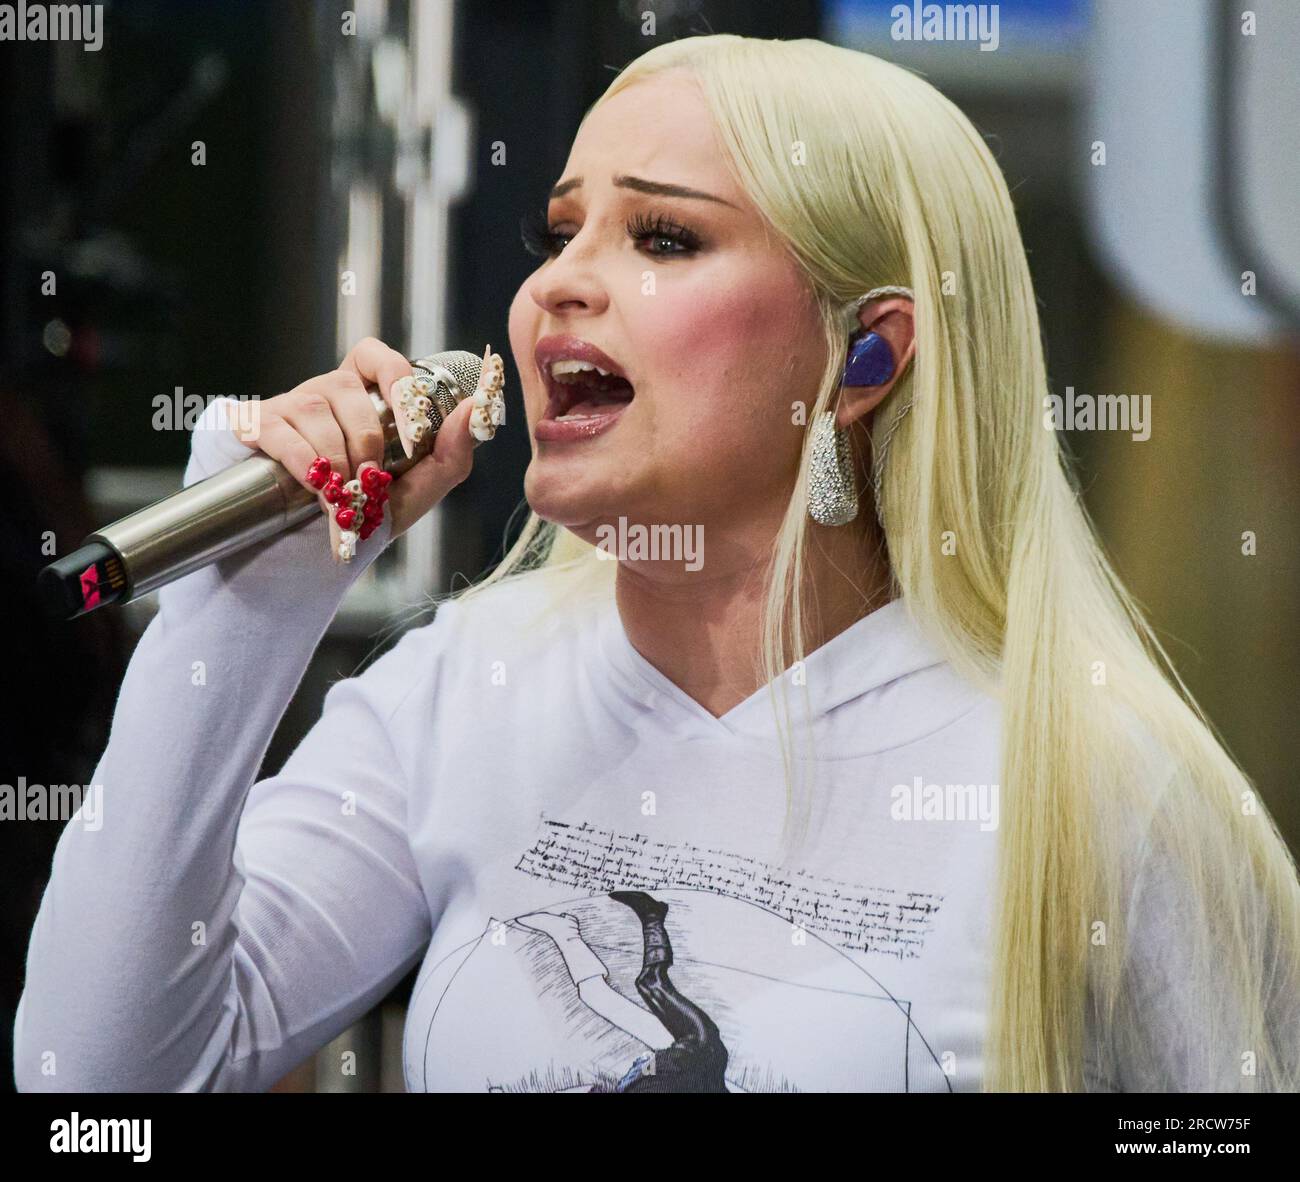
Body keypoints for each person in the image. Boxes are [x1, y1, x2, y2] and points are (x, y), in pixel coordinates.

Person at [14, 35, 1300, 1093]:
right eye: (561, 230)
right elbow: (95, 1093)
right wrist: (240, 616)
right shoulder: (466, 692)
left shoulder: (1093, 780)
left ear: (868, 357)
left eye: (663, 239)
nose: (557, 289)